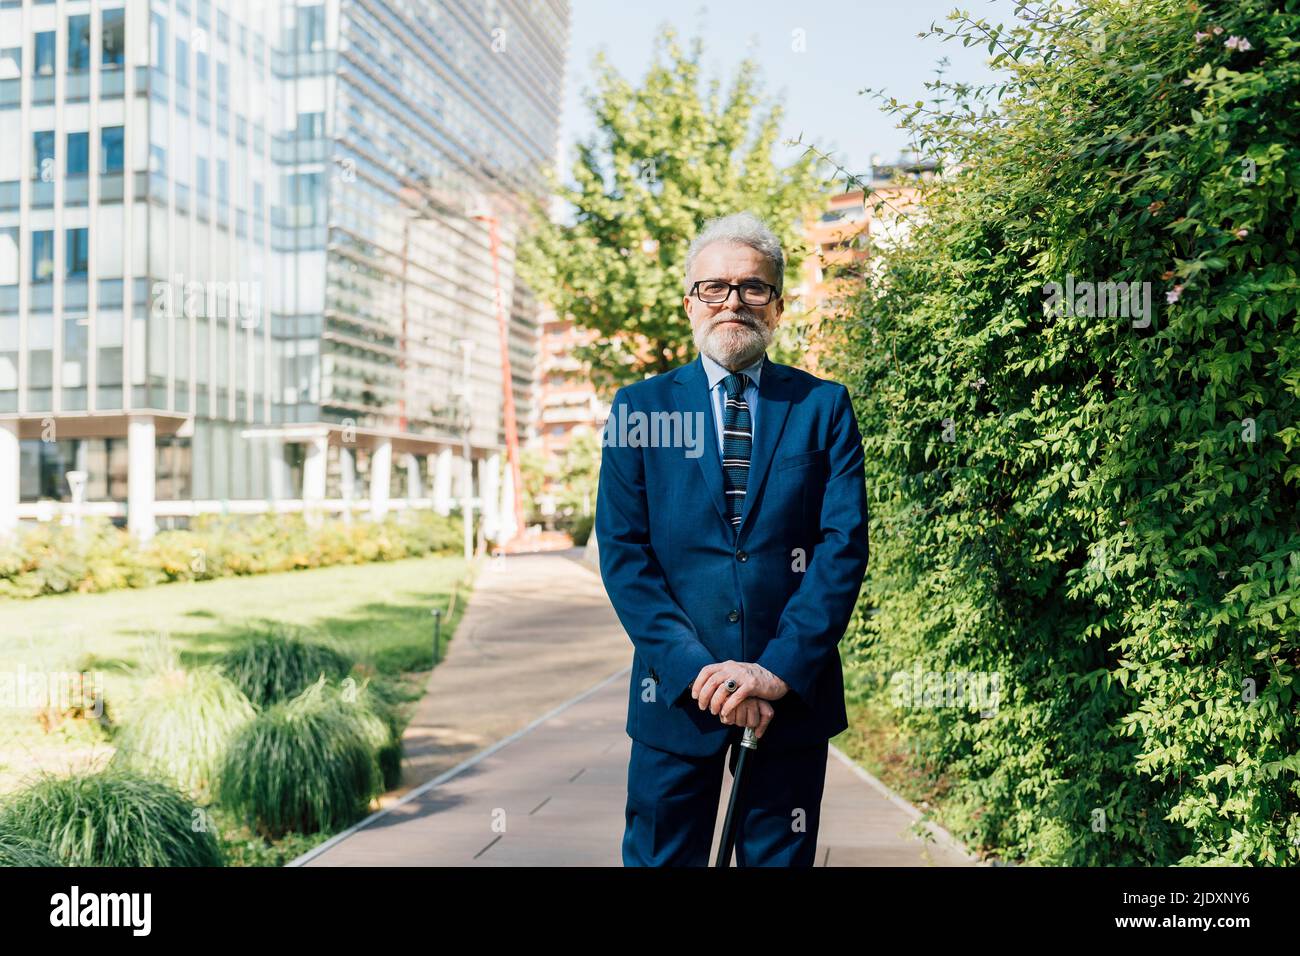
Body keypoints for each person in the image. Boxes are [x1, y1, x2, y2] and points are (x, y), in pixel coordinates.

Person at [595, 210, 870, 866]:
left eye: (753, 288)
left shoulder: (823, 407)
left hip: (790, 701)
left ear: (777, 304)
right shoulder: (639, 410)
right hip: (675, 702)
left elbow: (842, 547)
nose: (734, 303)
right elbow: (625, 553)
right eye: (714, 287)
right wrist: (697, 673)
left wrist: (776, 669)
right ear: (689, 302)